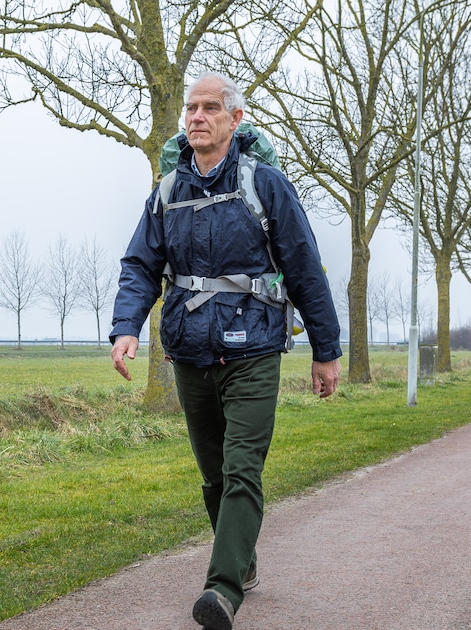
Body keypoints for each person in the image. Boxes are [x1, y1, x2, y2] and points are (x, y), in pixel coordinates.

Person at [109, 72, 342, 630]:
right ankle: (243, 559)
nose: (196, 117)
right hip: (190, 353)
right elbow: (140, 265)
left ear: (235, 119)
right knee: (213, 477)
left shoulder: (265, 185)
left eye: (211, 108)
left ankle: (221, 590)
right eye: (191, 108)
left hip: (254, 351)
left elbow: (304, 267)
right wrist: (126, 328)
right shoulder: (166, 192)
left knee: (241, 471)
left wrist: (325, 350)